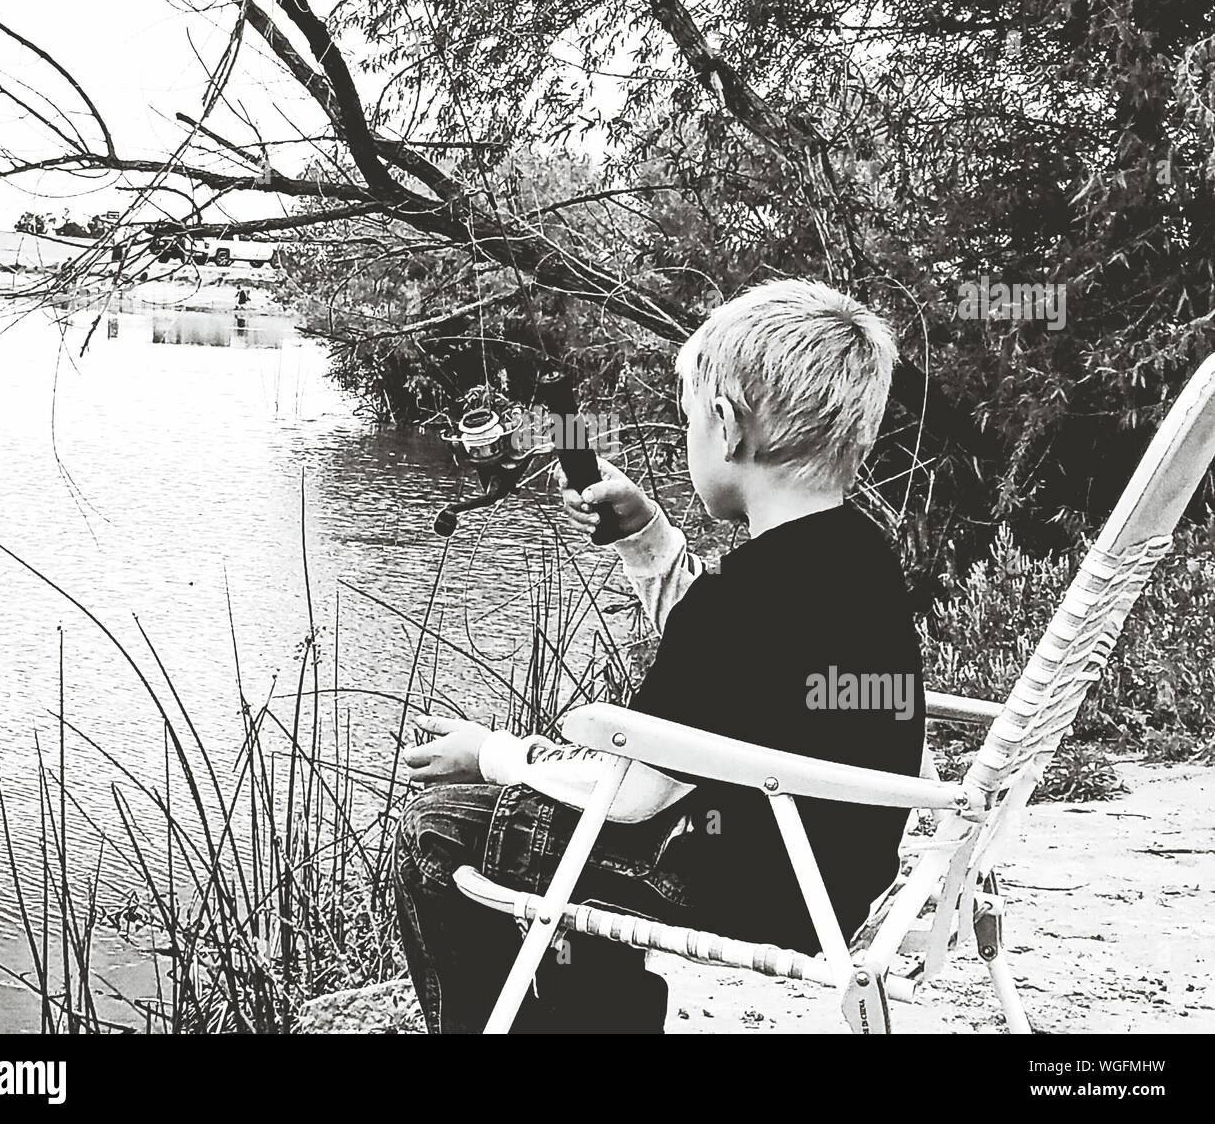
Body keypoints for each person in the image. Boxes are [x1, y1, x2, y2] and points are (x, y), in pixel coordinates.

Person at [393, 278, 925, 1034]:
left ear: (728, 426)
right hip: (840, 869)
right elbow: (738, 664)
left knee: (438, 830)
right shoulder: (857, 556)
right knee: (540, 835)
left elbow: (633, 794)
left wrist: (494, 754)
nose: (688, 440)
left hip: (757, 884)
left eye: (688, 423)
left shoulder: (745, 600)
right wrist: (648, 537)